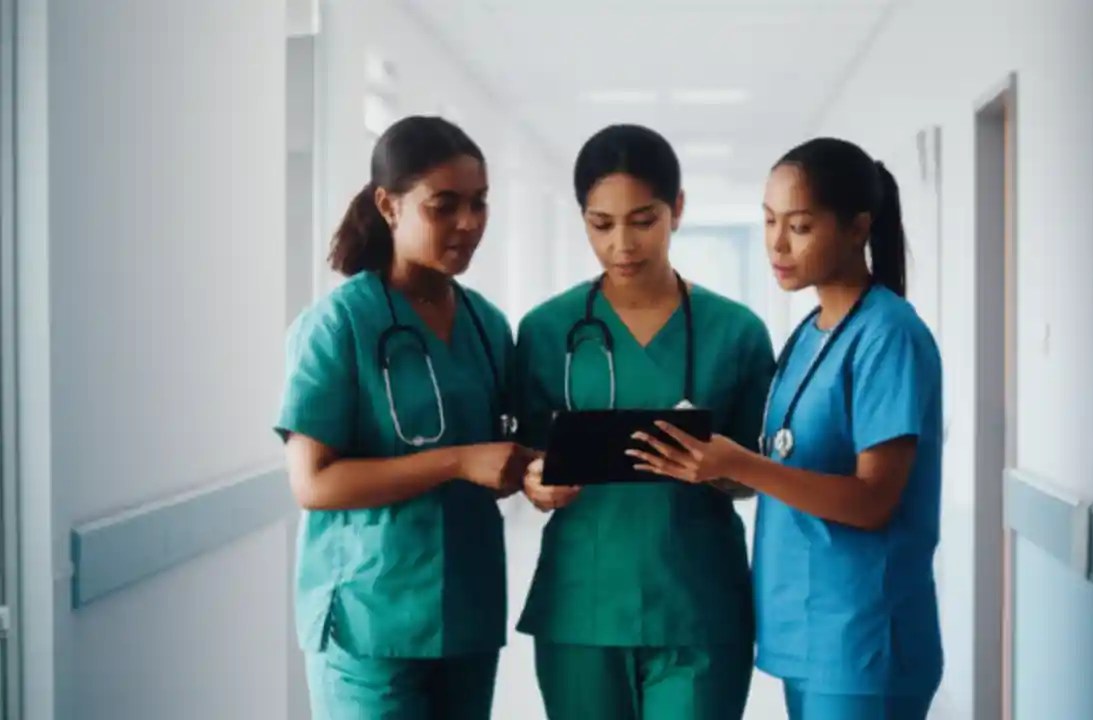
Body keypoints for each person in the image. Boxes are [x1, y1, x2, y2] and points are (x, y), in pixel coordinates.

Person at [630, 137, 944, 720]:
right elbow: (787, 467)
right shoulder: (811, 333)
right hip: (810, 631)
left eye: (798, 226)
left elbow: (875, 500)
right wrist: (713, 468)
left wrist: (739, 463)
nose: (776, 243)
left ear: (857, 229)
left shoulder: (888, 335)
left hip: (863, 635)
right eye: (769, 221)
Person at [274, 115, 532, 719]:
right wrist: (458, 462)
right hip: (368, 621)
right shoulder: (338, 325)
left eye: (479, 204)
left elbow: (500, 454)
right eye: (444, 206)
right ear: (389, 206)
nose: (468, 224)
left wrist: (536, 470)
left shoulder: (486, 326)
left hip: (465, 613)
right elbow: (313, 482)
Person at [514, 124, 775, 720]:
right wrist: (535, 482)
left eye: (643, 219)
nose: (622, 244)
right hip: (582, 606)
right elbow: (526, 458)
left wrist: (722, 468)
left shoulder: (735, 332)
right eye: (600, 224)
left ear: (677, 210)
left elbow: (760, 474)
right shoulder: (547, 331)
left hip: (698, 607)